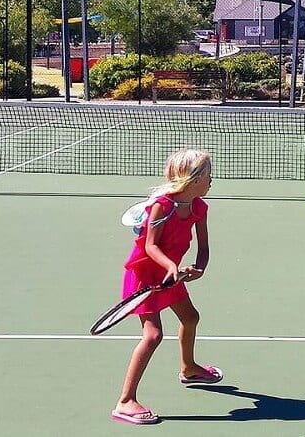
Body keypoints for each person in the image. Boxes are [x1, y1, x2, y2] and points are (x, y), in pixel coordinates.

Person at [112, 148, 222, 425]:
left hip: (168, 276)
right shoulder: (162, 206)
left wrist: (200, 266)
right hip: (144, 276)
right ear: (194, 179)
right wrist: (170, 266)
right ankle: (125, 402)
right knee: (153, 335)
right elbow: (150, 246)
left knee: (190, 317)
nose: (212, 181)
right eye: (209, 175)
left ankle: (189, 368)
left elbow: (204, 246)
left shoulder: (199, 207)